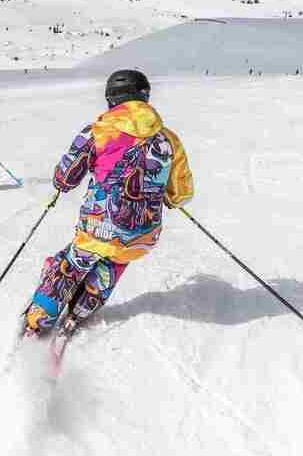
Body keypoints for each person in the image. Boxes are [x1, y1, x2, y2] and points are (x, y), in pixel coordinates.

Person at [23, 70, 194, 338]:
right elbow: (180, 193)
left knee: (71, 264)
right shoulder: (168, 139)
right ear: (144, 97)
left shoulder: (97, 131)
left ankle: (39, 318)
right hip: (143, 234)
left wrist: (60, 185)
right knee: (114, 262)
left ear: (111, 99)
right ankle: (80, 310)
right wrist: (169, 197)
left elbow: (67, 177)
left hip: (98, 225)